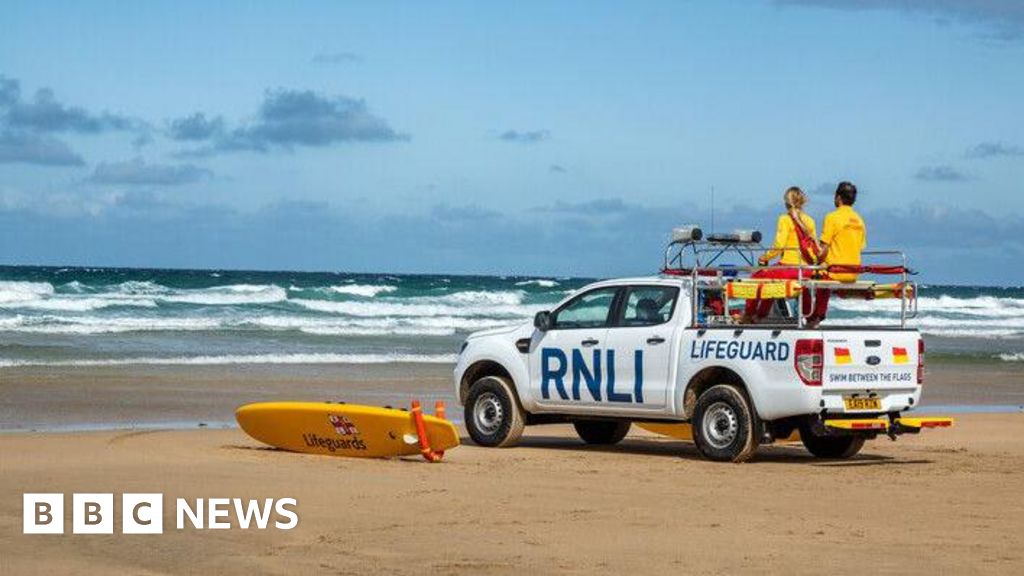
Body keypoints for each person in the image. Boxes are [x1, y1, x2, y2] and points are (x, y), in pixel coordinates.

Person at [741, 186, 819, 323]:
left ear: (787, 203)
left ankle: (750, 315)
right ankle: (811, 319)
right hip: (806, 270)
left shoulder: (785, 219)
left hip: (789, 267)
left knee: (756, 278)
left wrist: (764, 257)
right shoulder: (810, 221)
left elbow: (778, 246)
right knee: (771, 281)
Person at [805, 181, 866, 328]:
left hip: (836, 271)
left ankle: (813, 317)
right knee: (821, 273)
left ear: (838, 198)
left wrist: (814, 261)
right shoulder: (859, 220)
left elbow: (823, 249)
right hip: (854, 272)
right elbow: (861, 247)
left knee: (805, 278)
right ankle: (817, 316)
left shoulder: (832, 217)